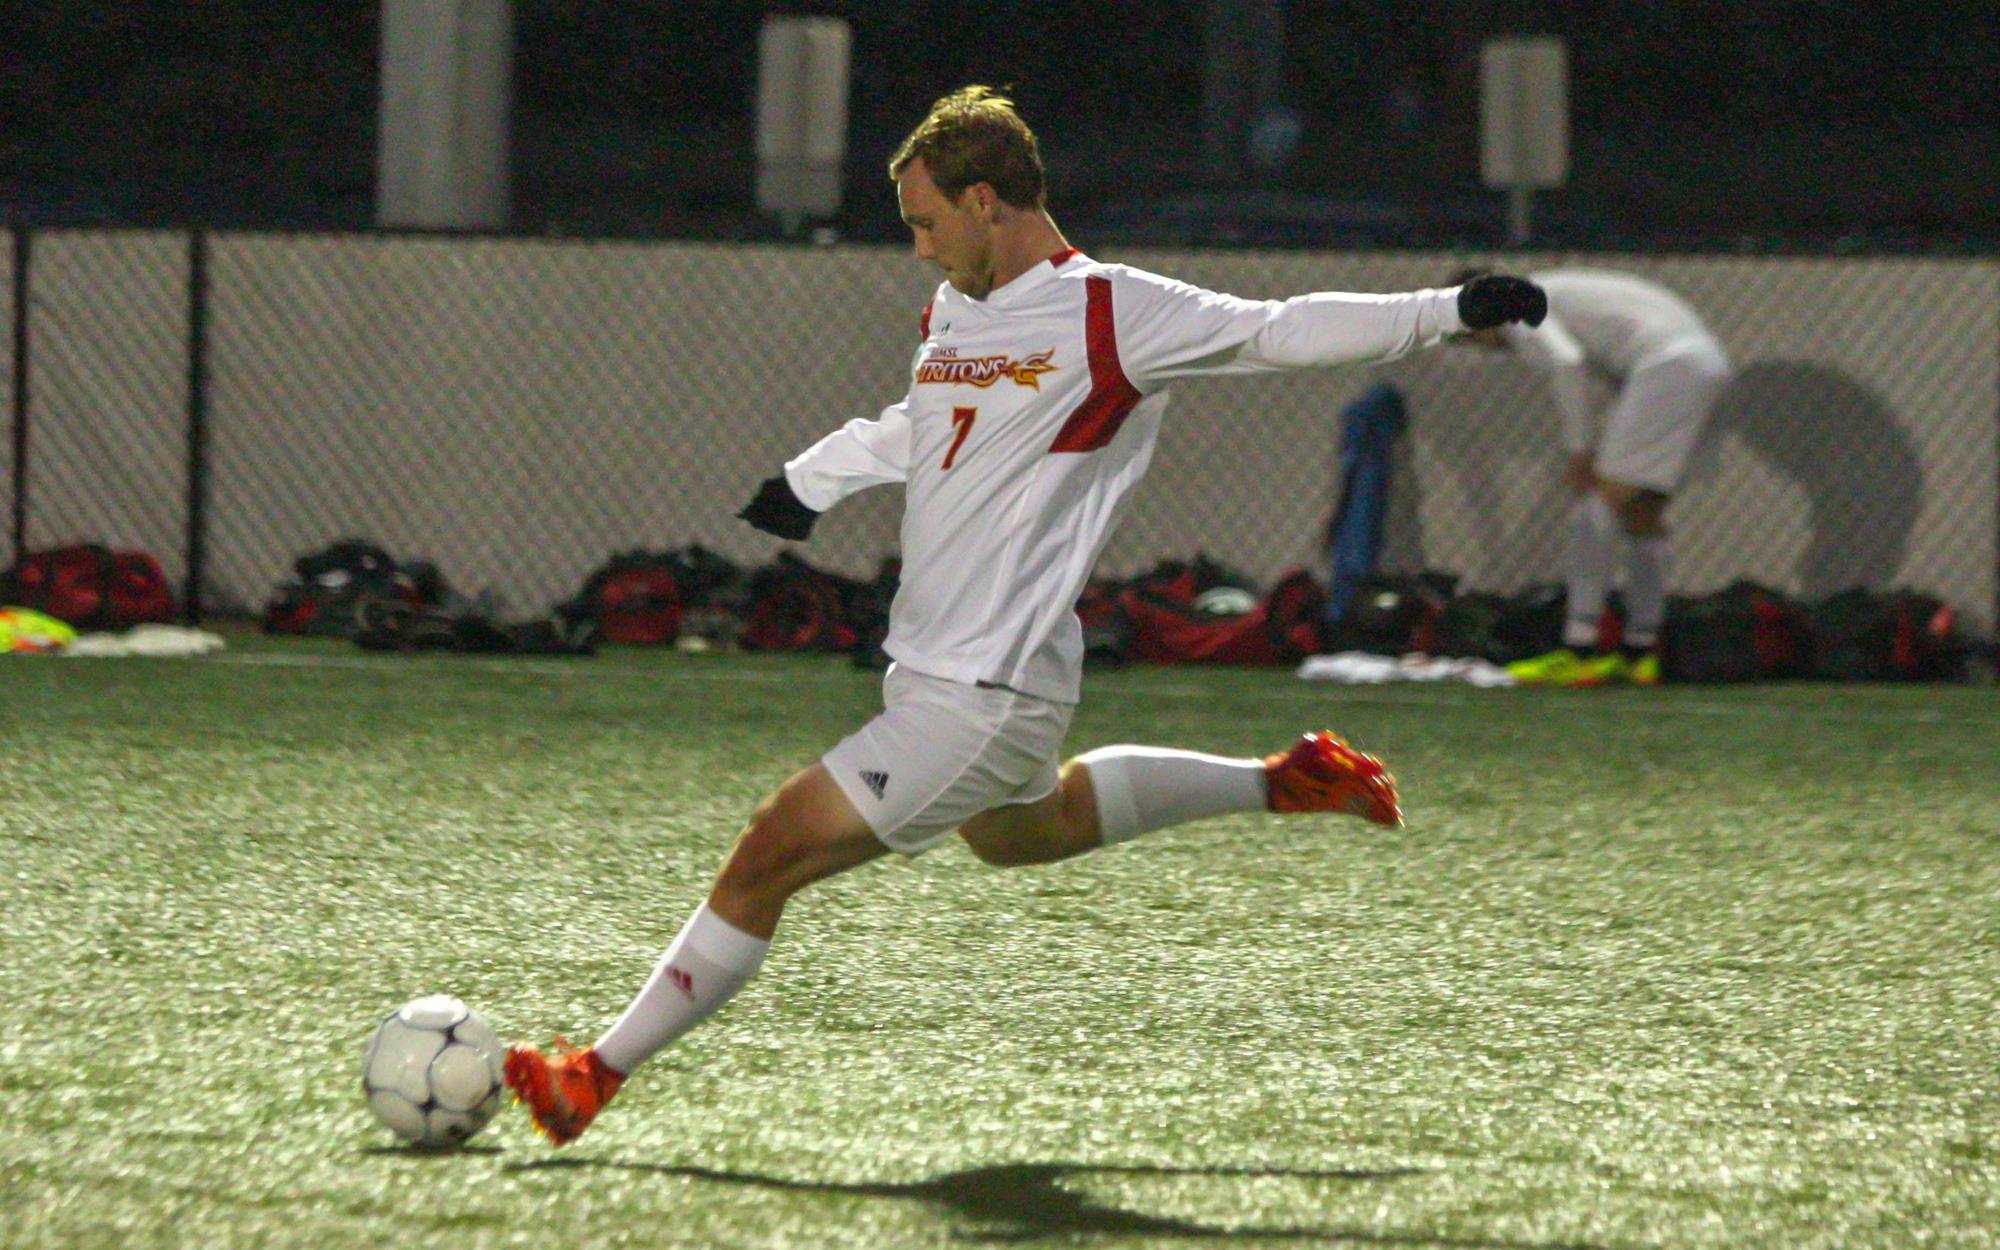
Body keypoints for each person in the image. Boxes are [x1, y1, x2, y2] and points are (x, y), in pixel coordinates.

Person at [502, 86, 1548, 1145]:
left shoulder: (1108, 311)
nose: (917, 248)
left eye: (924, 221)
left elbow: (1278, 332)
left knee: (770, 850)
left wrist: (1446, 309)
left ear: (986, 199)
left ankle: (591, 1073)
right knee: (1022, 832)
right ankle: (1282, 780)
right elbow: (929, 420)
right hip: (969, 671)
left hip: (981, 690)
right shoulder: (959, 306)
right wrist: (812, 479)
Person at [1450, 266, 1732, 687]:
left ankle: (1579, 649)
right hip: (1706, 364)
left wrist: (1580, 450)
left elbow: (1567, 363)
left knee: (1598, 502)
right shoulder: (1550, 289)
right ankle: (1641, 653)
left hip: (1668, 367)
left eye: (1467, 332)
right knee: (1642, 513)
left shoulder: (1521, 307)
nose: (1476, 345)